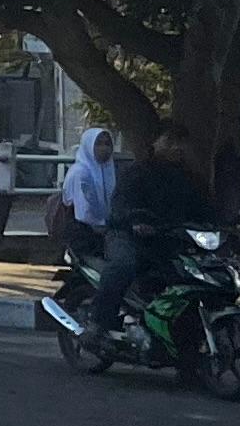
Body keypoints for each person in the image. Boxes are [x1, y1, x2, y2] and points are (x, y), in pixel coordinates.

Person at [92, 127, 214, 344]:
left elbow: (203, 210)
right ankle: (99, 324)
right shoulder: (137, 172)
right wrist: (135, 221)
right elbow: (121, 206)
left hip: (167, 239)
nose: (175, 147)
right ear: (154, 143)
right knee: (123, 265)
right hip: (127, 235)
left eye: (180, 142)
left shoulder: (188, 178)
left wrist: (227, 229)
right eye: (169, 140)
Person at [54, 126, 119, 269]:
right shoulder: (80, 173)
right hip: (84, 236)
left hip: (106, 233)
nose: (104, 148)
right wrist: (104, 228)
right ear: (88, 146)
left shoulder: (110, 171)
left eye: (107, 144)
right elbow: (84, 212)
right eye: (98, 144)